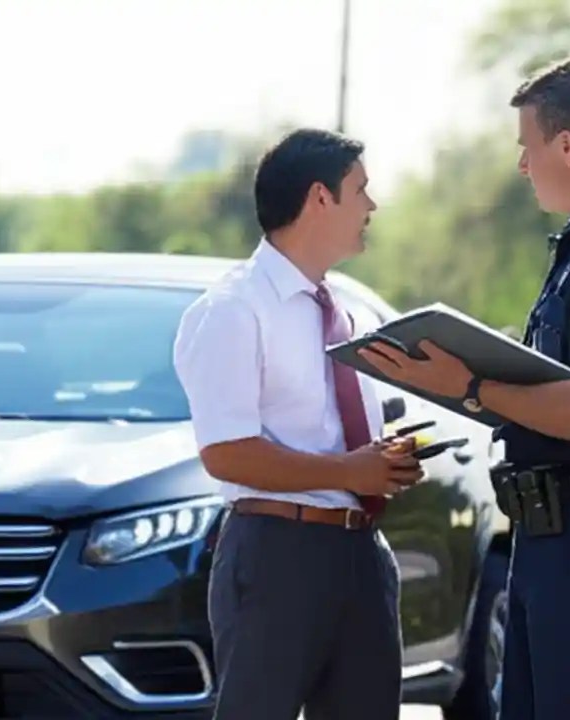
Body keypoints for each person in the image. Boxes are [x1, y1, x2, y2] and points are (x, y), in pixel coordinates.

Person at [358, 60, 570, 719]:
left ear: (567, 144)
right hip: (556, 536)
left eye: (528, 146)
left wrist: (470, 385)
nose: (523, 164)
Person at [172, 127, 424, 720]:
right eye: (359, 190)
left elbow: (334, 432)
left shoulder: (344, 310)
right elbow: (227, 454)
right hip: (278, 556)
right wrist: (349, 468)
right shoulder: (233, 311)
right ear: (319, 198)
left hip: (362, 555)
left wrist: (383, 460)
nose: (371, 205)